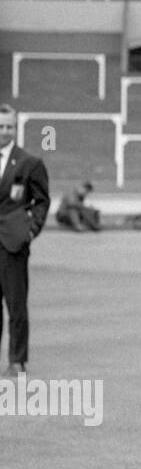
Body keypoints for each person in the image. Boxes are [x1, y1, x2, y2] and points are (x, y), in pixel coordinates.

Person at [0, 103, 51, 377]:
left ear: (15, 128)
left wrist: (30, 231)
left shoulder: (30, 163)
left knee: (16, 305)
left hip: (13, 244)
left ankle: (17, 360)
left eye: (9, 126)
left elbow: (42, 201)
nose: (4, 131)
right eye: (0, 126)